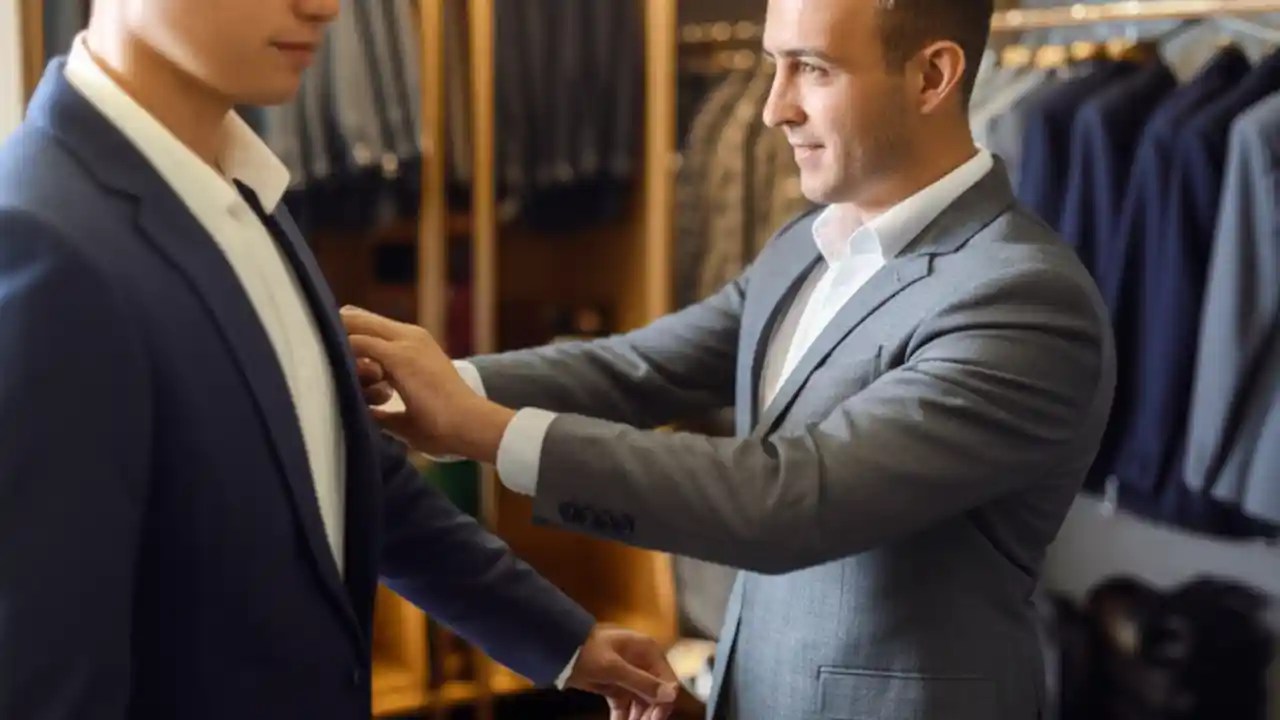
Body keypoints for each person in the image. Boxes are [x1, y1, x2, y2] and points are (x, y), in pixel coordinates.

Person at [343, 0, 1117, 718]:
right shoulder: (808, 244)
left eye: (812, 69)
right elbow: (640, 370)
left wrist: (480, 429)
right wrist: (428, 385)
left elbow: (787, 501)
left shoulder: (1022, 300)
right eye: (773, 64)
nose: (774, 107)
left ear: (932, 76)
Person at [0, 1, 680, 719]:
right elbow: (46, 677)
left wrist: (563, 640)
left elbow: (339, 466)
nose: (325, 6)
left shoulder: (234, 184)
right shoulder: (45, 250)